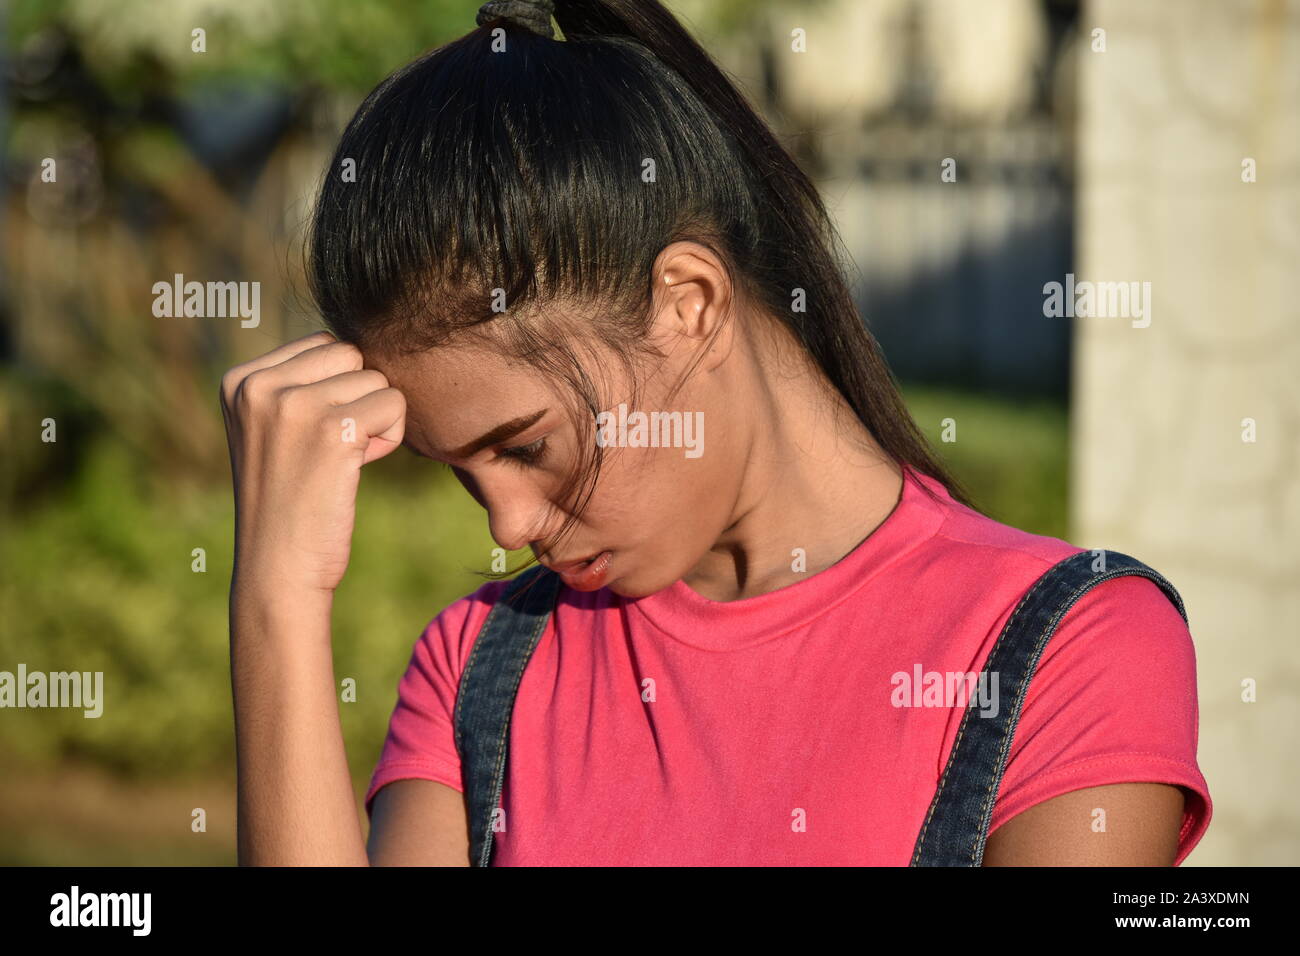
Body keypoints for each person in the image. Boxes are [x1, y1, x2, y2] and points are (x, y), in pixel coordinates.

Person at [220, 0, 1211, 865]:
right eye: (461, 471)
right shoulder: (483, 665)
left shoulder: (1064, 648)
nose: (512, 521)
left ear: (687, 302)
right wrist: (275, 594)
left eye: (524, 444)